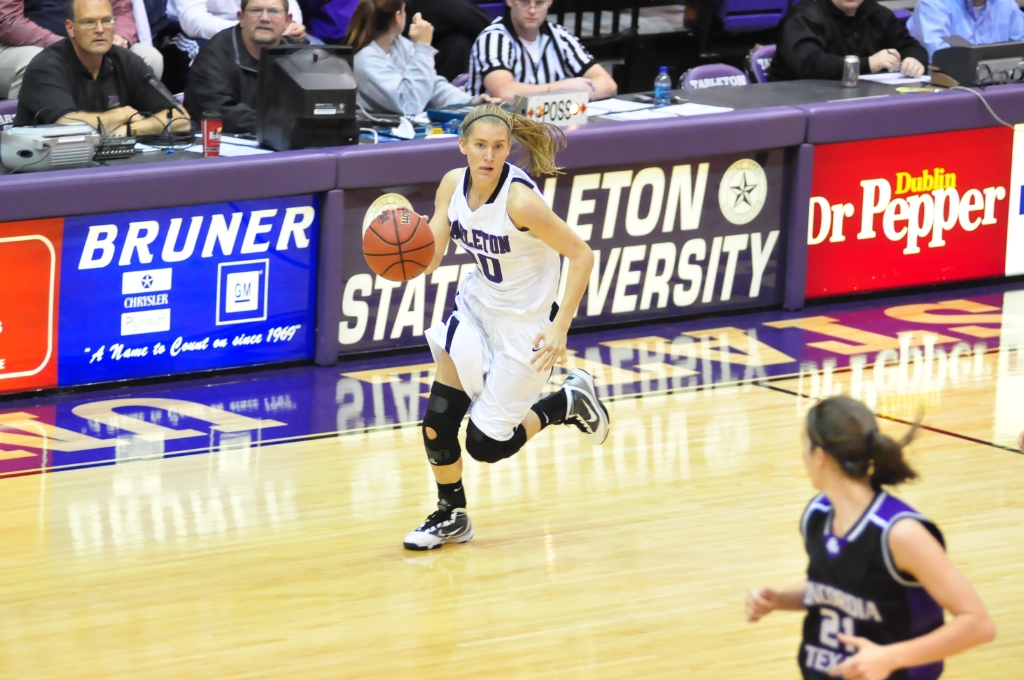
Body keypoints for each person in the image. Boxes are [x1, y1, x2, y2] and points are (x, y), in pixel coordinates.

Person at [402, 104, 611, 551]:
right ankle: (450, 515)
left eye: (499, 147)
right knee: (438, 422)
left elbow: (582, 255)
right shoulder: (450, 186)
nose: (489, 155)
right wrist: (406, 248)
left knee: (485, 445)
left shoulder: (519, 201)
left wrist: (560, 326)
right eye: (480, 146)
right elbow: (432, 260)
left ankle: (566, 402)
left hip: (526, 327)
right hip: (478, 309)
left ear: (507, 150)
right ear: (463, 147)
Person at [745, 396, 995, 679]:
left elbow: (978, 624)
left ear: (820, 456)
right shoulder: (817, 514)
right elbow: (834, 589)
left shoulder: (900, 533)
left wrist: (890, 657)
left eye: (803, 446)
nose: (801, 457)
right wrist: (778, 599)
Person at [14, 0, 190, 132]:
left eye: (107, 21)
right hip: (46, 174)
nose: (100, 29)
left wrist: (130, 130)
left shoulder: (127, 61)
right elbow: (67, 125)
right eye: (89, 22)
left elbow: (180, 118)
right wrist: (121, 115)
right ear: (70, 28)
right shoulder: (45, 67)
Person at [345, 0, 497, 115]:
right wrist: (423, 46)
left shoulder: (399, 44)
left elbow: (431, 85)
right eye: (405, 9)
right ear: (398, 17)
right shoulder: (365, 60)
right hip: (378, 143)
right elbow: (410, 105)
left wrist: (472, 103)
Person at [0, 0, 162, 100]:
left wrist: (120, 36)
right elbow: (8, 20)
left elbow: (122, 8)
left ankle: (138, 135)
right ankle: (24, 144)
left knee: (148, 57)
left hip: (91, 38)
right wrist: (65, 45)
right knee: (35, 62)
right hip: (20, 45)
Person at [466, 0, 617, 103]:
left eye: (539, 3)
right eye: (524, 2)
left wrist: (578, 94)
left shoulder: (559, 36)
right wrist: (564, 89)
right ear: (510, 1)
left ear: (549, 2)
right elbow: (505, 92)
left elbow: (608, 84)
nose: (532, 10)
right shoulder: (493, 38)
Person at [183, 0, 296, 132]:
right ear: (241, 18)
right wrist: (281, 123)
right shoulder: (215, 54)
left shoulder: (299, 55)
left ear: (287, 21)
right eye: (255, 11)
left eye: (274, 12)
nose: (265, 18)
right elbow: (216, 112)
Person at [769, 0, 928, 81]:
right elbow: (810, 65)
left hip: (859, 102)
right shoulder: (802, 17)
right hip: (801, 105)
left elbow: (911, 46)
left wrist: (913, 60)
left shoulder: (878, 14)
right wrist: (868, 64)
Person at [907, 0, 1024, 60]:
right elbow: (939, 57)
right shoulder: (933, 4)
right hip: (947, 89)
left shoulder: (1006, 4)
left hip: (1000, 85)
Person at [169, 0, 304, 41]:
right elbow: (193, 22)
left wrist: (292, 24)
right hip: (195, 37)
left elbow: (288, 5)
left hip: (255, 26)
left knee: (309, 52)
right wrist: (250, 27)